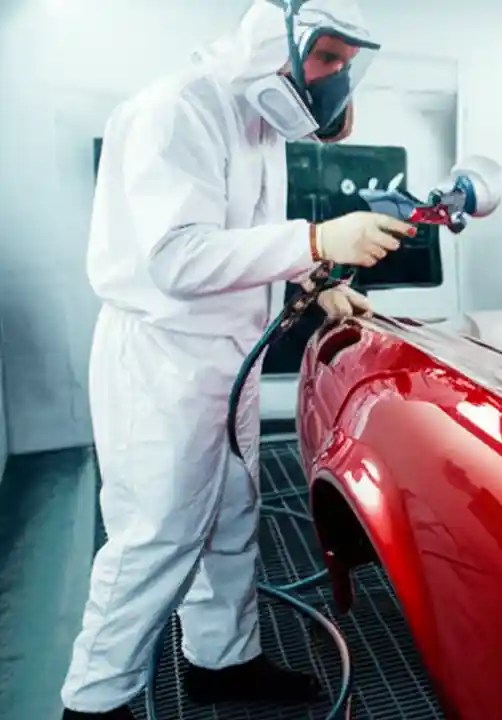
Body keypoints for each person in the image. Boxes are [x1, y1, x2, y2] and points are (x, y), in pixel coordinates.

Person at [61, 2, 414, 718]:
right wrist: (315, 242)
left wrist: (312, 287)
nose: (336, 79)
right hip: (164, 358)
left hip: (229, 355)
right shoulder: (177, 109)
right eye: (327, 59)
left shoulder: (260, 120)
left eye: (346, 65)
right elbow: (176, 259)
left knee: (229, 516)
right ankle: (95, 702)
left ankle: (221, 662)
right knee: (155, 537)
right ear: (275, 42)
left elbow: (243, 238)